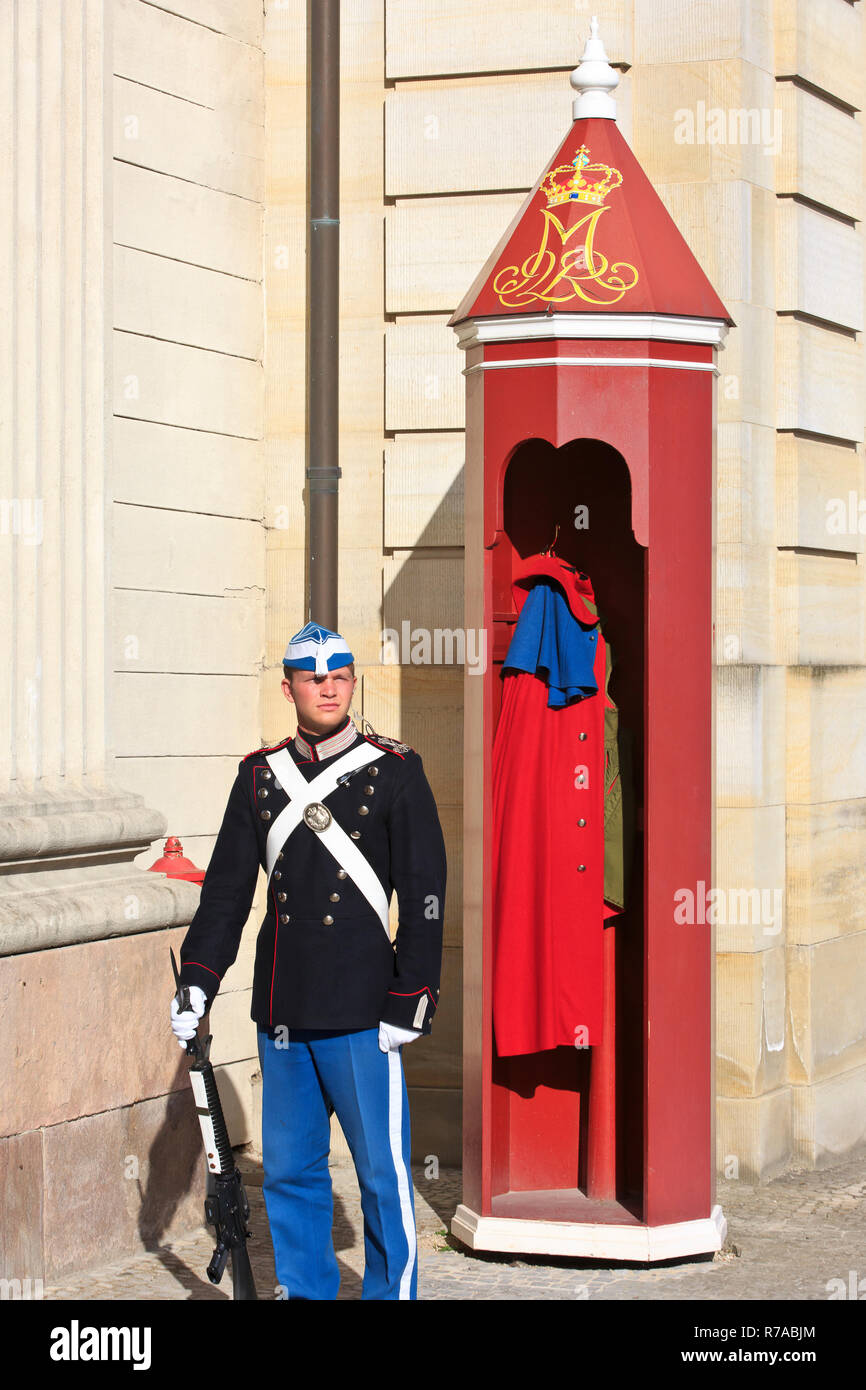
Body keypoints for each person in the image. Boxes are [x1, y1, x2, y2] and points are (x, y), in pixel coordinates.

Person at [169, 621, 447, 1300]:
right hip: (283, 1006)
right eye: (313, 677)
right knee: (291, 1173)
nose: (328, 688)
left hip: (363, 1011)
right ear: (289, 684)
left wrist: (411, 998)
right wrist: (200, 984)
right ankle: (307, 1291)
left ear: (352, 681)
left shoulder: (394, 770)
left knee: (381, 1175)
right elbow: (228, 895)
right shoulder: (260, 776)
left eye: (340, 675)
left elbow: (425, 891)